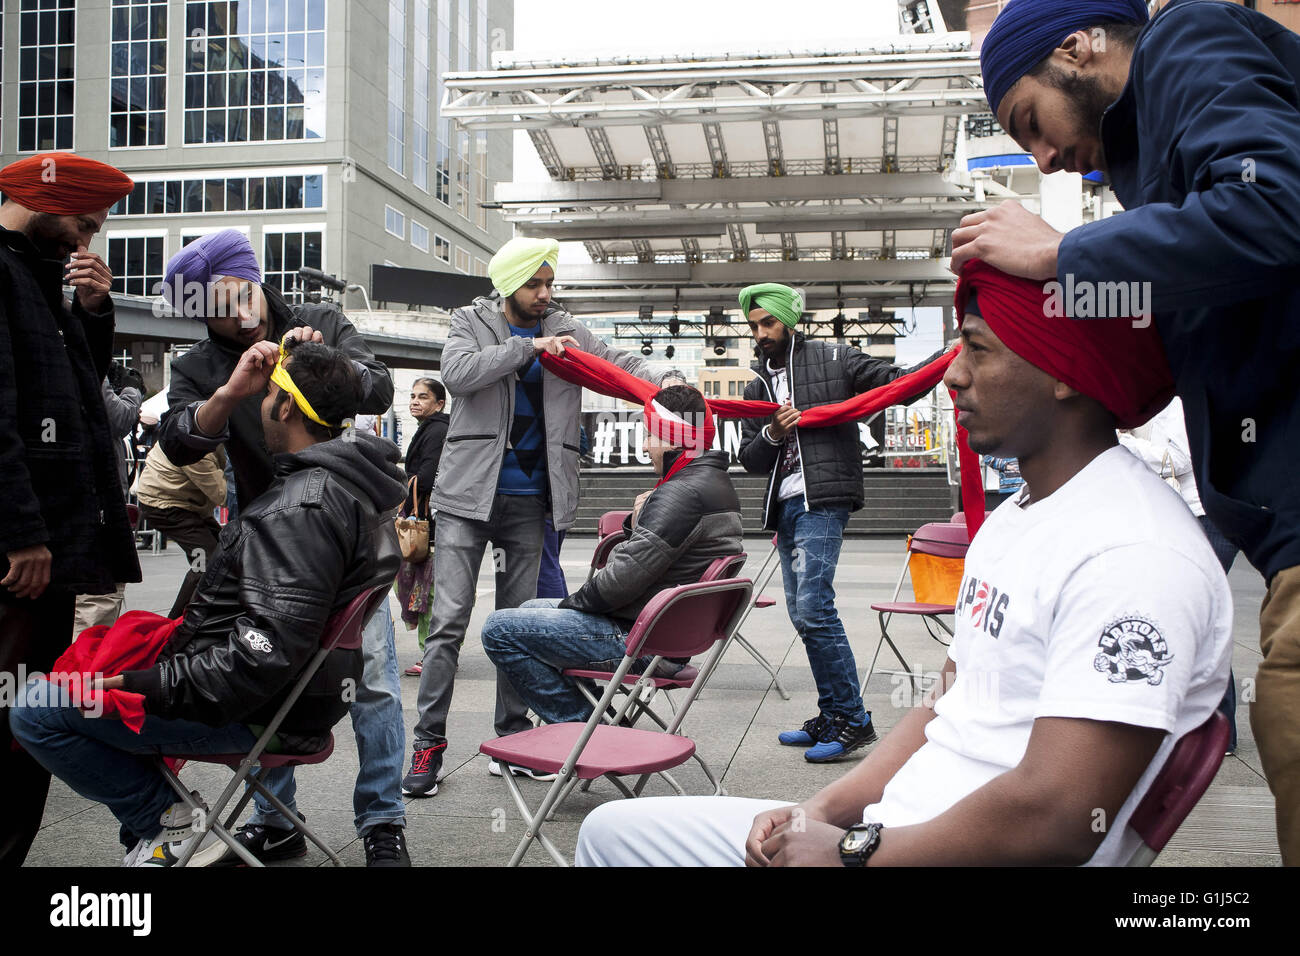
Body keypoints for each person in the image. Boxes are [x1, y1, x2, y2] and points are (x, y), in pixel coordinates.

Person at [574, 260, 1232, 867]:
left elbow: (1061, 818)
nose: (952, 375)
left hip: (914, 852)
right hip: (890, 830)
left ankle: (843, 715)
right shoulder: (1015, 522)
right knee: (609, 832)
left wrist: (852, 852)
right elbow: (943, 703)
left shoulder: (1134, 553)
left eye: (976, 349)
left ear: (1063, 370)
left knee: (812, 608)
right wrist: (819, 811)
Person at [951, 0, 1300, 862]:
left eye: (1031, 121)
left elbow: (1279, 208)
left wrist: (1060, 256)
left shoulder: (1186, 39)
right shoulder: (1149, 165)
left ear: (1079, 46)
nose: (1043, 156)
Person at [11, 340, 407, 867]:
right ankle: (159, 832)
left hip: (256, 710)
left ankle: (166, 821)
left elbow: (263, 651)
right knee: (73, 680)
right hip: (291, 699)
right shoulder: (349, 486)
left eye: (267, 395)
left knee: (36, 709)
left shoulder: (300, 508)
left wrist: (148, 685)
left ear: (284, 407)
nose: (260, 404)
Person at [152, 230, 409, 866]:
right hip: (260, 527)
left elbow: (378, 388)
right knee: (258, 672)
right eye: (216, 310)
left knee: (370, 674)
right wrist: (232, 392)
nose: (236, 318)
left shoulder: (319, 318)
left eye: (242, 298)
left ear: (257, 282)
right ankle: (276, 817)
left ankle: (382, 819)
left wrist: (326, 364)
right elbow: (180, 442)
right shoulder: (198, 366)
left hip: (345, 516)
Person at [402, 236, 675, 797]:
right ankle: (428, 744)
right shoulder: (470, 322)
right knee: (448, 623)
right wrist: (529, 349)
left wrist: (661, 378)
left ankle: (513, 739)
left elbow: (615, 360)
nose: (545, 294)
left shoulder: (566, 324)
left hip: (533, 501)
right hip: (465, 499)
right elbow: (458, 373)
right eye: (535, 284)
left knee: (516, 625)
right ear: (509, 284)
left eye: (550, 284)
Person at [736, 282, 945, 762]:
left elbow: (899, 383)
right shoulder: (755, 386)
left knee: (813, 608)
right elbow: (750, 458)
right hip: (784, 507)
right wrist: (771, 431)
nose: (760, 333)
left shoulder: (833, 359)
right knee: (802, 613)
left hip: (823, 500)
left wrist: (949, 354)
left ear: (789, 322)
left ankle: (852, 719)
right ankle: (833, 712)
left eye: (768, 323)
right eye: (753, 326)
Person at [0, 151, 138, 866]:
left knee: (25, 718)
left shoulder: (40, 277)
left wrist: (91, 311)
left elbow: (76, 394)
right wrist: (21, 532)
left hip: (47, 549)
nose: (87, 243)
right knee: (14, 721)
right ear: (43, 203)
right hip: (24, 552)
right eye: (82, 226)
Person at [483, 385, 743, 729]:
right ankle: (596, 722)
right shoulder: (713, 483)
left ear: (671, 438)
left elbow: (619, 581)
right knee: (530, 612)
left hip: (645, 642)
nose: (646, 446)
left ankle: (586, 731)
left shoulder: (679, 494)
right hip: (670, 636)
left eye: (650, 435)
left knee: (499, 629)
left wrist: (571, 605)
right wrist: (638, 522)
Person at [1119, 395, 1243, 752]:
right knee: (1195, 620)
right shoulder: (1154, 407)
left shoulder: (1178, 406)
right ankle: (1207, 728)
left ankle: (1220, 731)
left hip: (1209, 519)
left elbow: (1181, 459)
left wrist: (1124, 441)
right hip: (1187, 516)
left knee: (1197, 618)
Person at [71, 372, 144, 634]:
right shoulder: (79, 357)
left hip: (75, 497)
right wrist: (132, 389)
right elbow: (119, 419)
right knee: (98, 595)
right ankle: (81, 669)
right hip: (93, 499)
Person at [134, 442, 228, 619]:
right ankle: (175, 624)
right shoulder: (195, 448)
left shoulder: (211, 434)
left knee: (226, 553)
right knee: (205, 562)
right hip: (166, 506)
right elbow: (223, 494)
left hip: (189, 505)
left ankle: (205, 615)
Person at [398, 377, 448, 675]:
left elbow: (426, 478)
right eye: (413, 395)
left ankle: (433, 653)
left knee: (428, 589)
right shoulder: (428, 429)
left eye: (424, 397)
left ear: (439, 404)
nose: (415, 401)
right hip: (427, 520)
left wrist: (405, 489)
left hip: (432, 523)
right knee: (420, 585)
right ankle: (432, 651)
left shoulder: (436, 430)